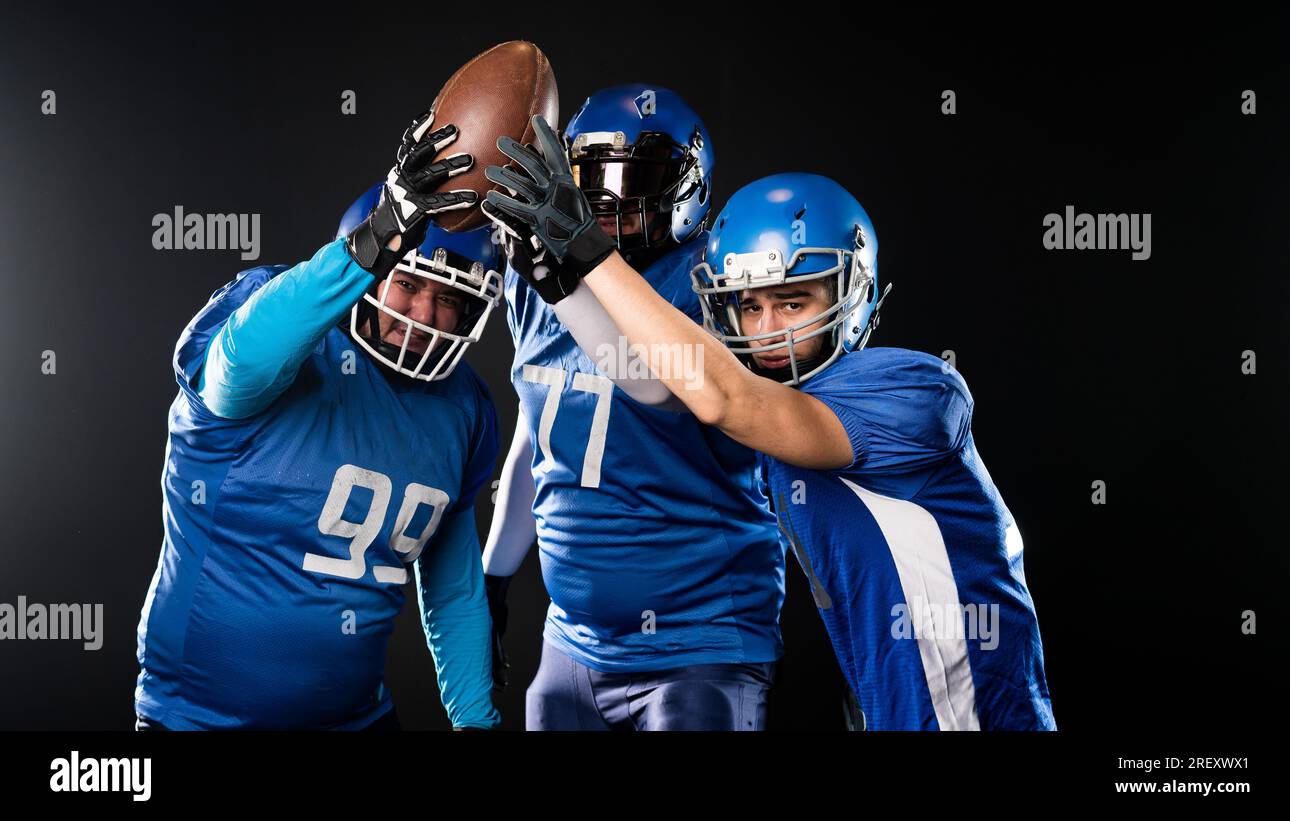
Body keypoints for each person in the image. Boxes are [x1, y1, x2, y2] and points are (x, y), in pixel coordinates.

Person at [486, 143, 1055, 729]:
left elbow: (722, 397)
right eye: (748, 307)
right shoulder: (777, 412)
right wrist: (562, 286)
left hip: (974, 708)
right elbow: (651, 382)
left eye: (791, 301)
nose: (767, 332)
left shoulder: (914, 391)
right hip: (891, 698)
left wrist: (588, 251)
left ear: (852, 291)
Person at [134, 111, 504, 730]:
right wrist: (379, 233)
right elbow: (240, 363)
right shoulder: (285, 333)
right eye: (408, 285)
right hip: (200, 718)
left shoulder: (464, 407)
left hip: (357, 718)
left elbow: (452, 582)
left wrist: (475, 720)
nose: (426, 314)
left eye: (452, 298)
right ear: (369, 272)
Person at [479, 85, 786, 731]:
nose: (610, 203)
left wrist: (565, 272)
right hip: (572, 642)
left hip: (699, 641)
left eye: (637, 180)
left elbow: (658, 384)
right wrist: (495, 573)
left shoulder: (718, 275)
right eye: (593, 182)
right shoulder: (535, 277)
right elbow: (541, 432)